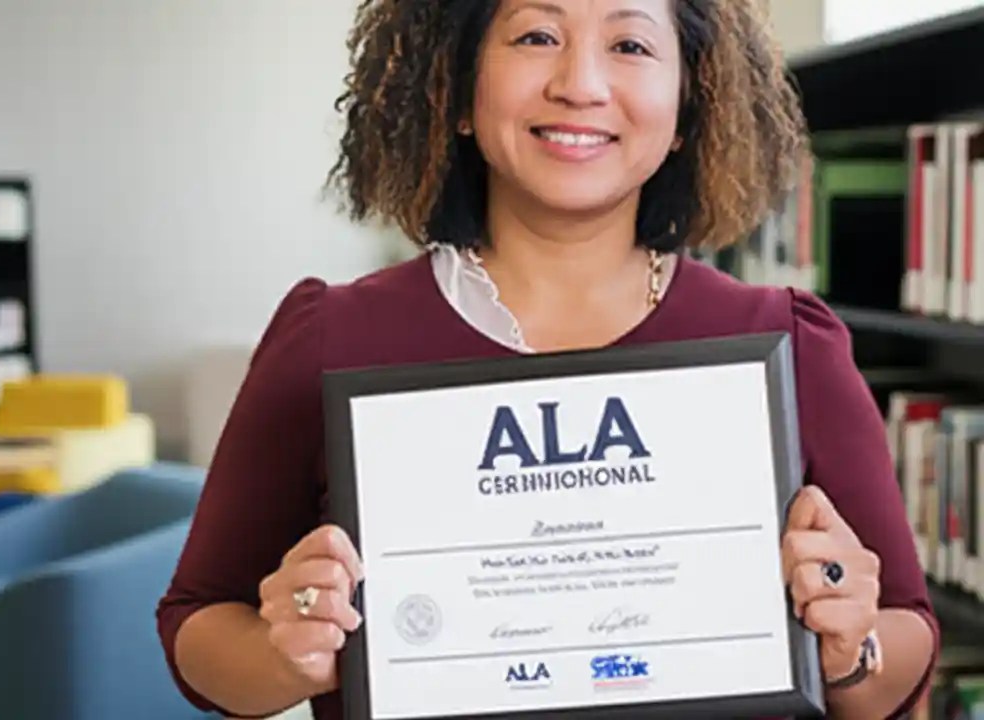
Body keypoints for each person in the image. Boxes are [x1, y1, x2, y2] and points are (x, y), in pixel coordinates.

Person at [157, 0, 939, 718]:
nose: (581, 83)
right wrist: (283, 654)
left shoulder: (788, 341)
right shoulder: (329, 337)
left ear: (684, 112)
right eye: (536, 35)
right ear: (458, 91)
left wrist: (850, 649)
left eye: (629, 43)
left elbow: (906, 637)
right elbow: (197, 625)